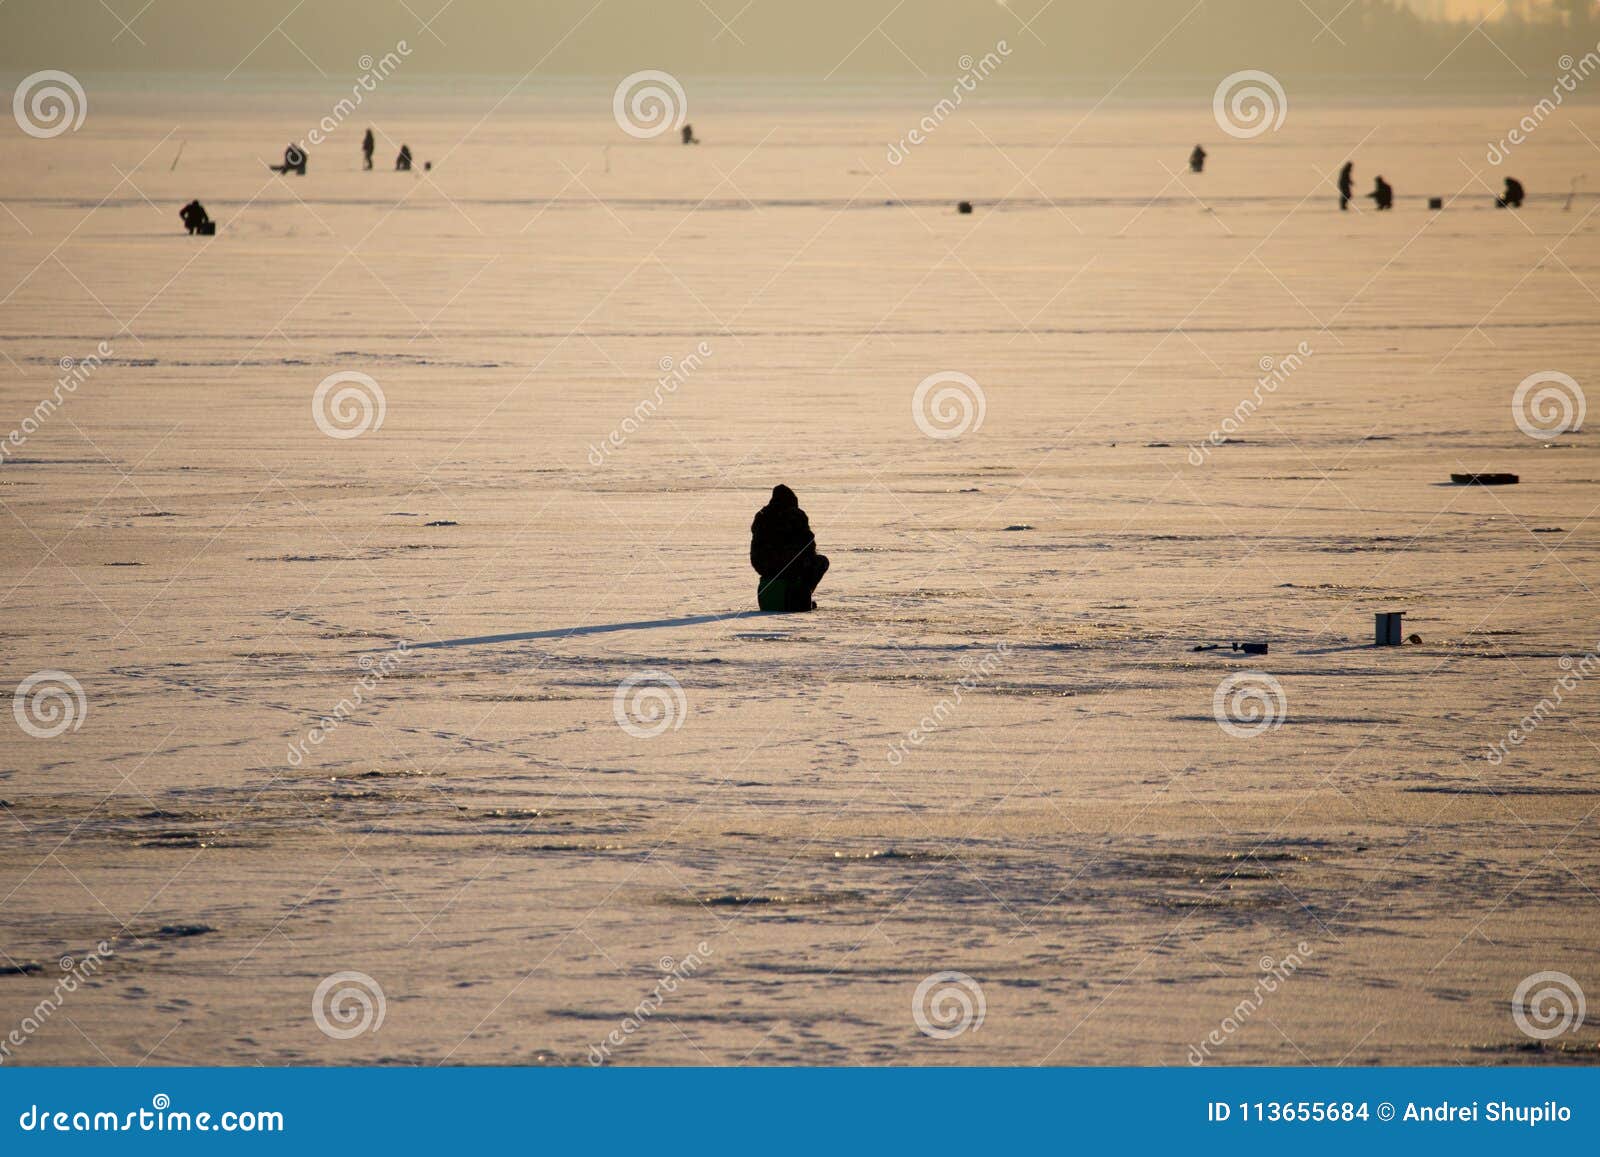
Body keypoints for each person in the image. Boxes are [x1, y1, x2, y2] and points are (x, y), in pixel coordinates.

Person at [750, 484, 829, 613]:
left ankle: (794, 596)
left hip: (763, 567)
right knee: (820, 562)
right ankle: (802, 599)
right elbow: (808, 543)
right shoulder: (795, 514)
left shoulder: (761, 515)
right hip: (788, 566)